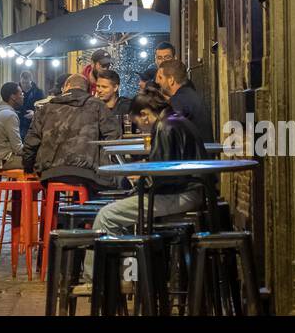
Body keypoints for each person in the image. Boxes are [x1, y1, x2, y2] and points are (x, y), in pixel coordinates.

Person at [77, 89, 205, 293]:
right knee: (126, 219)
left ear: (145, 114)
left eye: (138, 123)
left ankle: (94, 281)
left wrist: (142, 180)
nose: (141, 128)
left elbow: (164, 175)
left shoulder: (164, 127)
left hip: (181, 194)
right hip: (191, 190)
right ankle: (129, 278)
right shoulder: (177, 120)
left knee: (106, 215)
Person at [21, 73, 120, 192]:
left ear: (66, 86)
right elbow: (114, 137)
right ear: (87, 89)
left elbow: (31, 141)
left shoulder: (46, 108)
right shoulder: (97, 105)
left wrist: (28, 167)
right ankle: (88, 207)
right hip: (88, 173)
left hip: (50, 173)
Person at [155, 58, 215, 147]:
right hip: (201, 155)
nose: (157, 81)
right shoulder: (187, 95)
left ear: (171, 80)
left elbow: (166, 133)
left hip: (194, 159)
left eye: (160, 77)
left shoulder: (179, 100)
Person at [93, 69, 132, 136]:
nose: (99, 90)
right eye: (98, 86)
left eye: (104, 87)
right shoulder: (94, 107)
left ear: (115, 87)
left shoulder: (127, 107)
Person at [18, 71, 45, 140]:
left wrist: (34, 113)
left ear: (31, 81)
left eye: (26, 83)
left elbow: (43, 108)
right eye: (22, 83)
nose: (24, 85)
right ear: (20, 81)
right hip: (18, 122)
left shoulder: (38, 92)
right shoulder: (16, 92)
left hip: (33, 123)